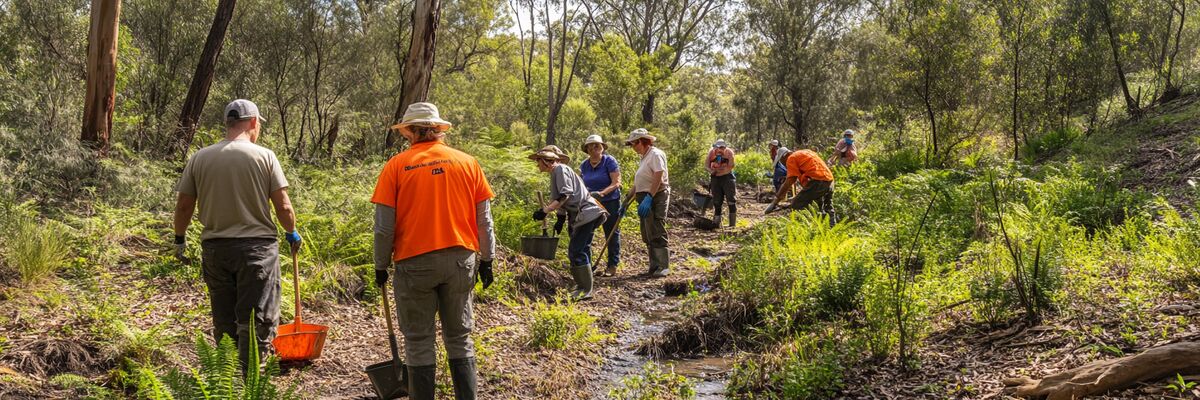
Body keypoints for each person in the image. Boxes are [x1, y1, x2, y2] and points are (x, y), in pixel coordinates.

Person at [371, 102, 495, 400]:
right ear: (438, 129)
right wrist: (488, 260)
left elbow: (383, 228)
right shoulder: (468, 162)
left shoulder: (396, 167)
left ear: (410, 132)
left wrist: (380, 264)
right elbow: (485, 220)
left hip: (414, 263)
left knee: (418, 341)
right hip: (460, 260)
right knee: (460, 338)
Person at [173, 99, 300, 370]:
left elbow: (184, 205)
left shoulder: (200, 157)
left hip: (215, 250)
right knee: (256, 319)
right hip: (257, 251)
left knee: (225, 320)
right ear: (253, 122)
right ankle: (251, 380)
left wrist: (179, 238)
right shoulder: (264, 156)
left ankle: (226, 381)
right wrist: (292, 232)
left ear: (228, 123)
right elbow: (284, 206)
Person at [531, 145, 607, 300]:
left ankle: (585, 289)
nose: (537, 164)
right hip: (583, 213)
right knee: (581, 249)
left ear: (547, 161)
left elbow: (565, 194)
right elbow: (560, 200)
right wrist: (560, 218)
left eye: (538, 161)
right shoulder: (555, 173)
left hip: (587, 212)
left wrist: (545, 211)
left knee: (576, 250)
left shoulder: (560, 170)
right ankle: (583, 286)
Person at [625, 128, 670, 277]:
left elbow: (659, 174)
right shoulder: (644, 157)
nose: (632, 147)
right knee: (647, 231)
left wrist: (650, 196)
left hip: (657, 195)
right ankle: (654, 266)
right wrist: (627, 199)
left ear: (641, 142)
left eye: (633, 144)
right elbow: (640, 181)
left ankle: (663, 266)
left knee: (656, 228)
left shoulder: (655, 154)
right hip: (643, 196)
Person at [579, 135, 623, 277]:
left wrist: (602, 193)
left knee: (611, 232)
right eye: (590, 147)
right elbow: (581, 184)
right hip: (591, 202)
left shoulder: (609, 161)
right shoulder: (584, 165)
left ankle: (612, 265)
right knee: (587, 232)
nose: (594, 149)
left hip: (610, 201)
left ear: (602, 147)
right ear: (587, 149)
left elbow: (616, 182)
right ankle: (587, 266)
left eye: (597, 146)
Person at [765, 148, 837, 225]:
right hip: (829, 180)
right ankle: (831, 227)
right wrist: (799, 196)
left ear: (785, 156)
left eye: (782, 161)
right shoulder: (805, 152)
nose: (783, 164)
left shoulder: (791, 158)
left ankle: (801, 227)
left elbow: (790, 181)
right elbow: (809, 175)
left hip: (818, 181)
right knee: (826, 206)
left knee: (797, 204)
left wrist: (776, 200)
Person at [706, 139, 737, 228]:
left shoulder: (729, 153)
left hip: (727, 177)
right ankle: (716, 223)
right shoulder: (711, 153)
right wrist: (711, 171)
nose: (720, 150)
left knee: (731, 200)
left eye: (722, 148)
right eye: (718, 148)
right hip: (715, 178)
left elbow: (731, 166)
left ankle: (732, 224)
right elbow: (706, 165)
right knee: (716, 201)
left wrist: (721, 172)